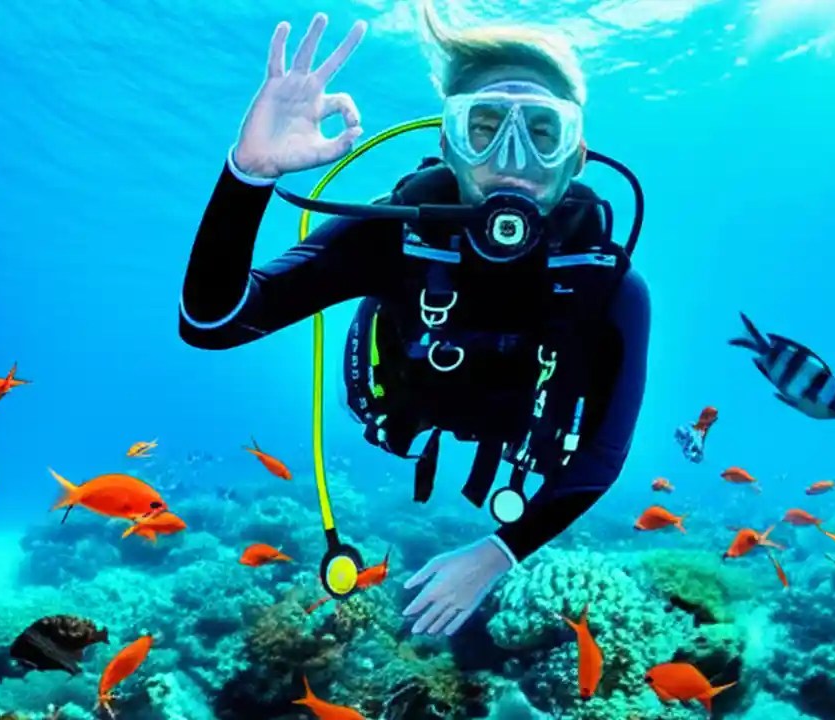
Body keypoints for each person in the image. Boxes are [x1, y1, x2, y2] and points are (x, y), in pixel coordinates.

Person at [178, 2, 651, 637]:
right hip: (403, 398)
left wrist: (496, 554)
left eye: (543, 132)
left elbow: (600, 457)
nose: (512, 158)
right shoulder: (391, 236)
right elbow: (212, 324)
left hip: (517, 429)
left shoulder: (609, 283)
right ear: (448, 145)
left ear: (576, 156)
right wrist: (248, 175)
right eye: (483, 127)